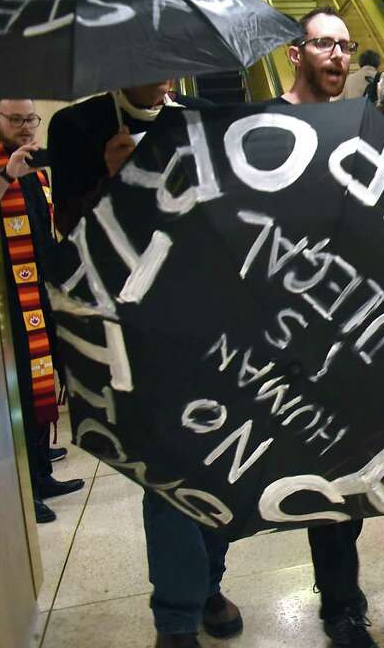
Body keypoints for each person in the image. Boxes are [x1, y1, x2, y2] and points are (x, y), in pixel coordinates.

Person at [49, 85, 241, 648]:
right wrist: (114, 182)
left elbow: (230, 216)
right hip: (130, 329)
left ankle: (209, 583)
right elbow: (69, 235)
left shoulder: (202, 120)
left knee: (213, 462)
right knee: (165, 469)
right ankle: (176, 615)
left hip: (208, 318)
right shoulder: (78, 126)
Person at [261, 6, 377, 648]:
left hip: (350, 324)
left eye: (345, 44)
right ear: (295, 55)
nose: (337, 55)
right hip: (283, 326)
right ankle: (206, 586)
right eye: (323, 44)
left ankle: (342, 599)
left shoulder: (359, 126)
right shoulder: (265, 126)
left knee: (343, 469)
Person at [0, 99, 84, 524]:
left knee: (43, 379)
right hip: (9, 300)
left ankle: (42, 469)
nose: (26, 128)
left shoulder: (36, 170)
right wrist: (8, 173)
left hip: (41, 293)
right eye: (16, 120)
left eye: (31, 119)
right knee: (22, 392)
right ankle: (26, 485)